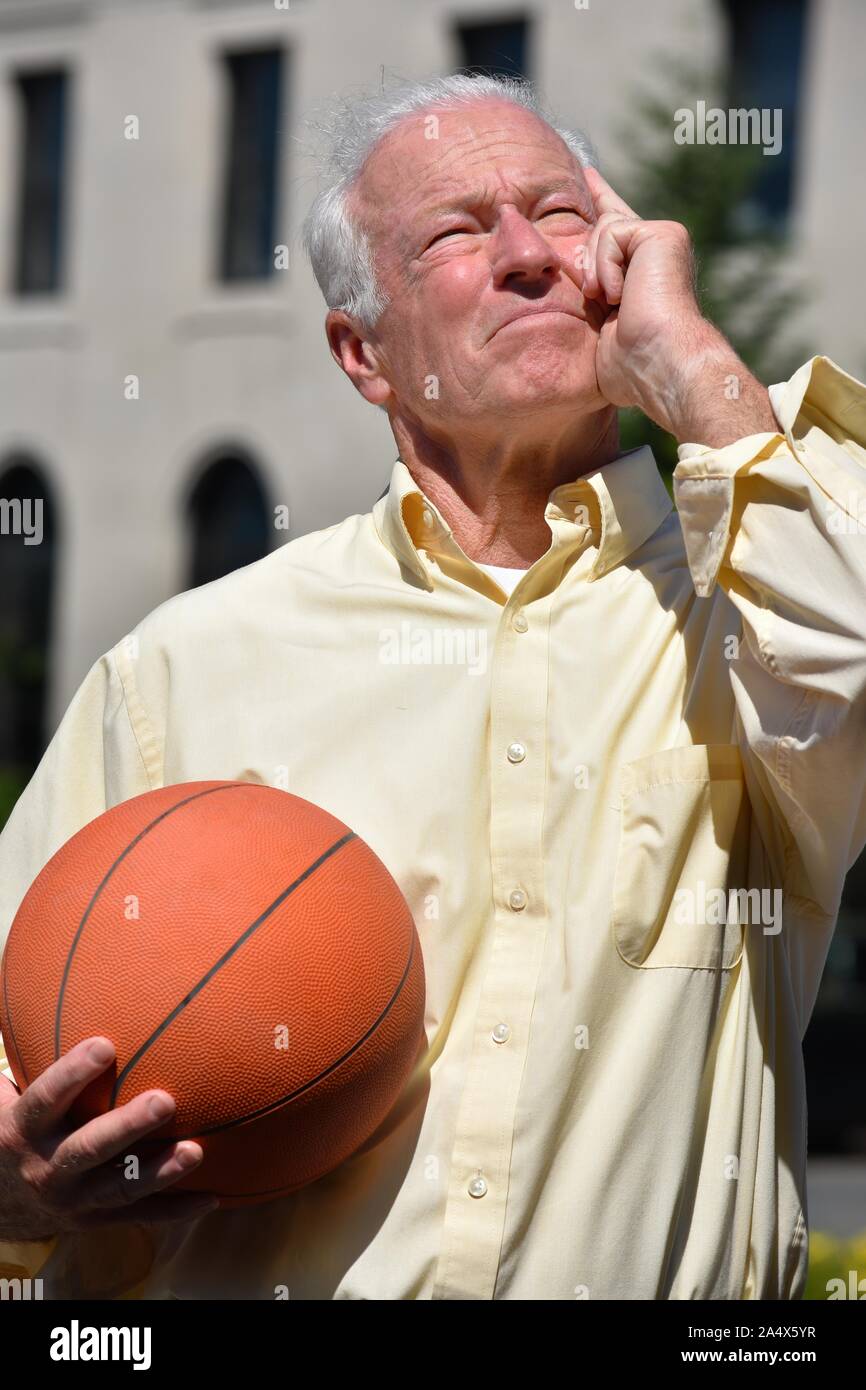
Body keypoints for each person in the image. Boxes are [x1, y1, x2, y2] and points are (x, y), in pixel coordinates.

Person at [1, 73, 864, 1300]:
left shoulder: (752, 602)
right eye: (457, 232)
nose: (525, 256)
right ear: (364, 353)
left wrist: (690, 365)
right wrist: (18, 1181)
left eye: (559, 215)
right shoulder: (185, 664)